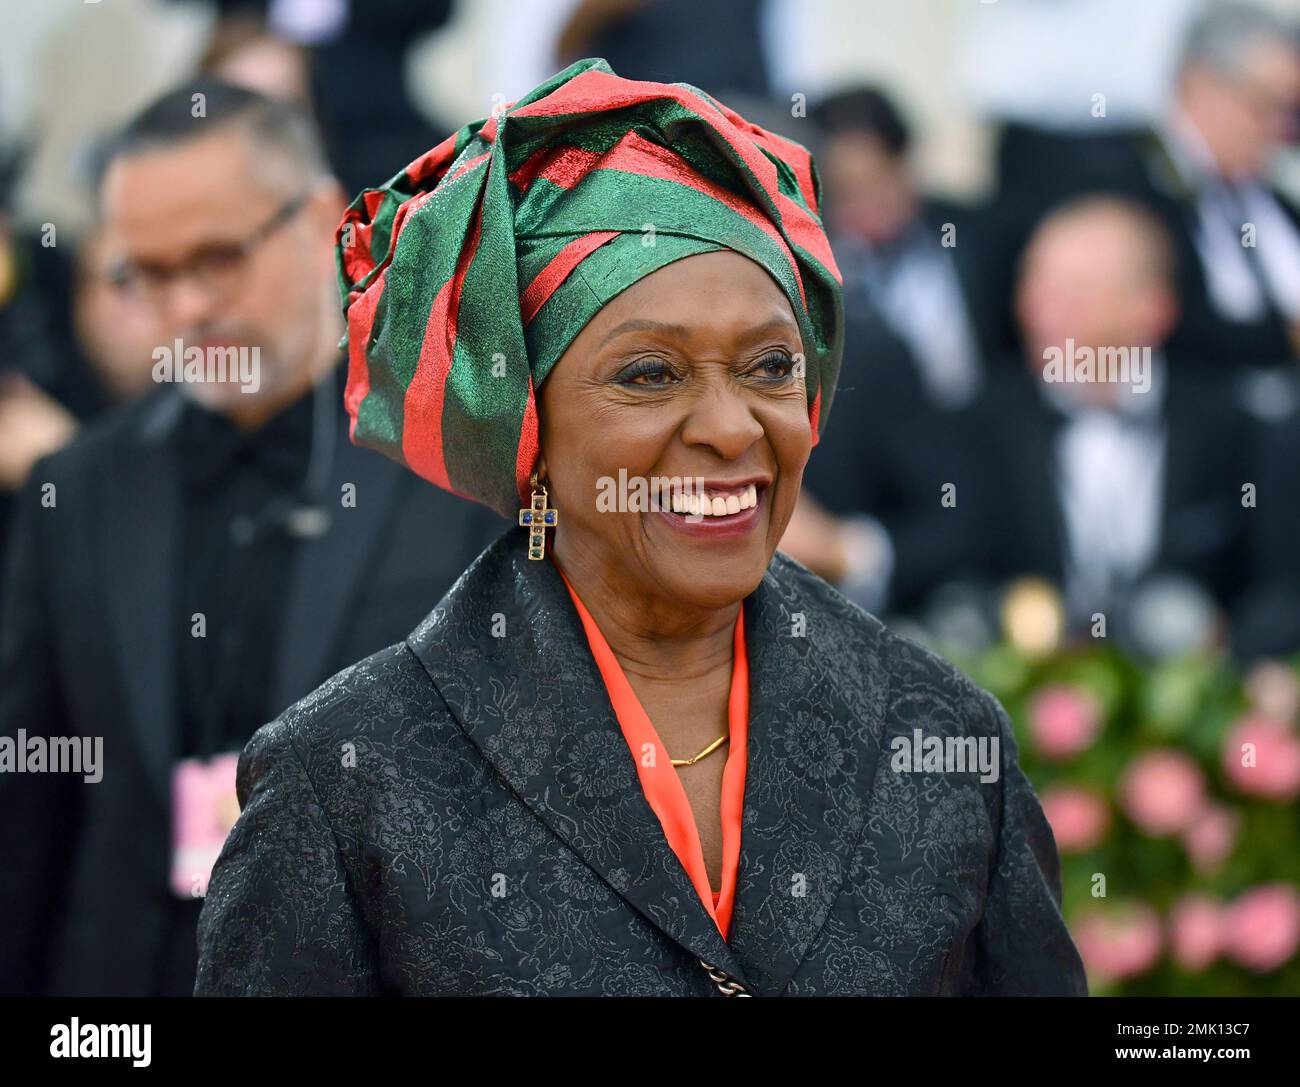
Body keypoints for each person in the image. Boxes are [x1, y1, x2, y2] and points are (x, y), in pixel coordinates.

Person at [194, 58, 1087, 997]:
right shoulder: (350, 777)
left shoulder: (938, 736)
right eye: (650, 374)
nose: (733, 426)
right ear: (528, 427)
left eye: (772, 366)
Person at [0, 81, 503, 997]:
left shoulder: (458, 468)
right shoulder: (76, 490)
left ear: (320, 225)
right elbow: (27, 813)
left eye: (218, 258)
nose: (187, 307)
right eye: (145, 272)